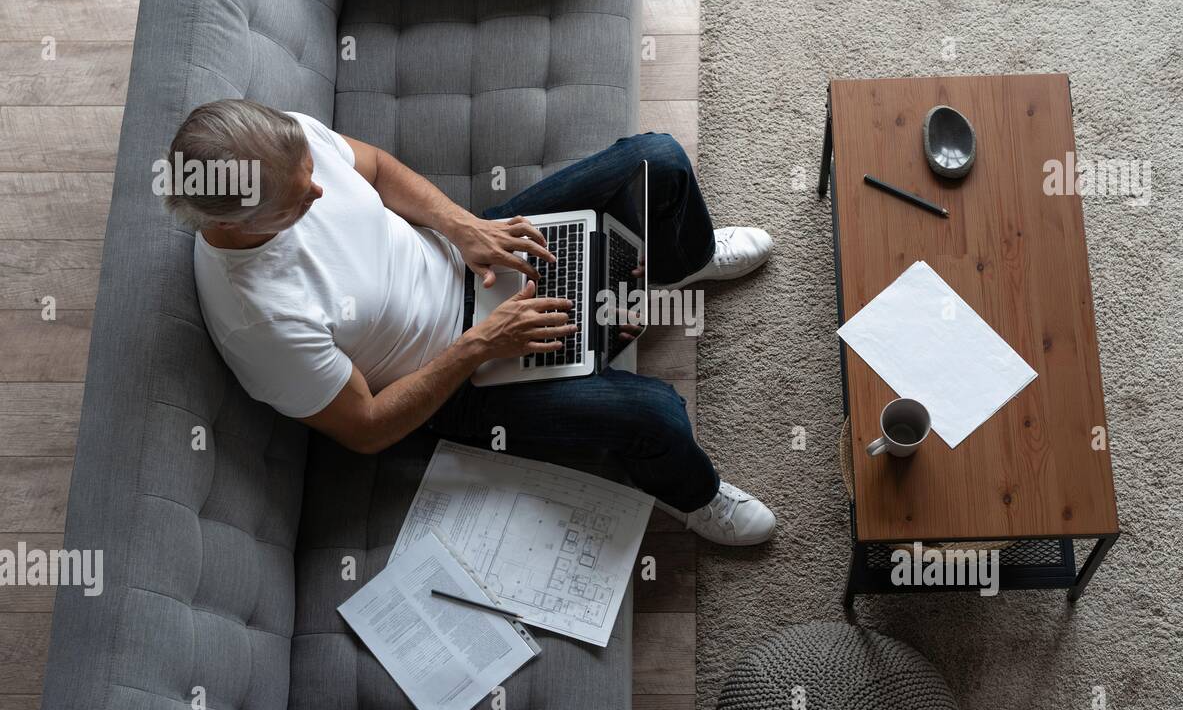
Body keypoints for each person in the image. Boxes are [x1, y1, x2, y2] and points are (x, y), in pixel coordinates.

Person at [163, 99, 776, 545]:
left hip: (467, 257)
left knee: (658, 159)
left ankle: (681, 263)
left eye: (312, 176)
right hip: (456, 381)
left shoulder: (278, 144)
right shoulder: (259, 321)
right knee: (657, 416)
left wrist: (462, 226)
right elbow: (369, 428)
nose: (319, 194)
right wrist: (484, 342)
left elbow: (372, 167)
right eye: (299, 203)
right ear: (241, 225)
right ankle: (694, 498)